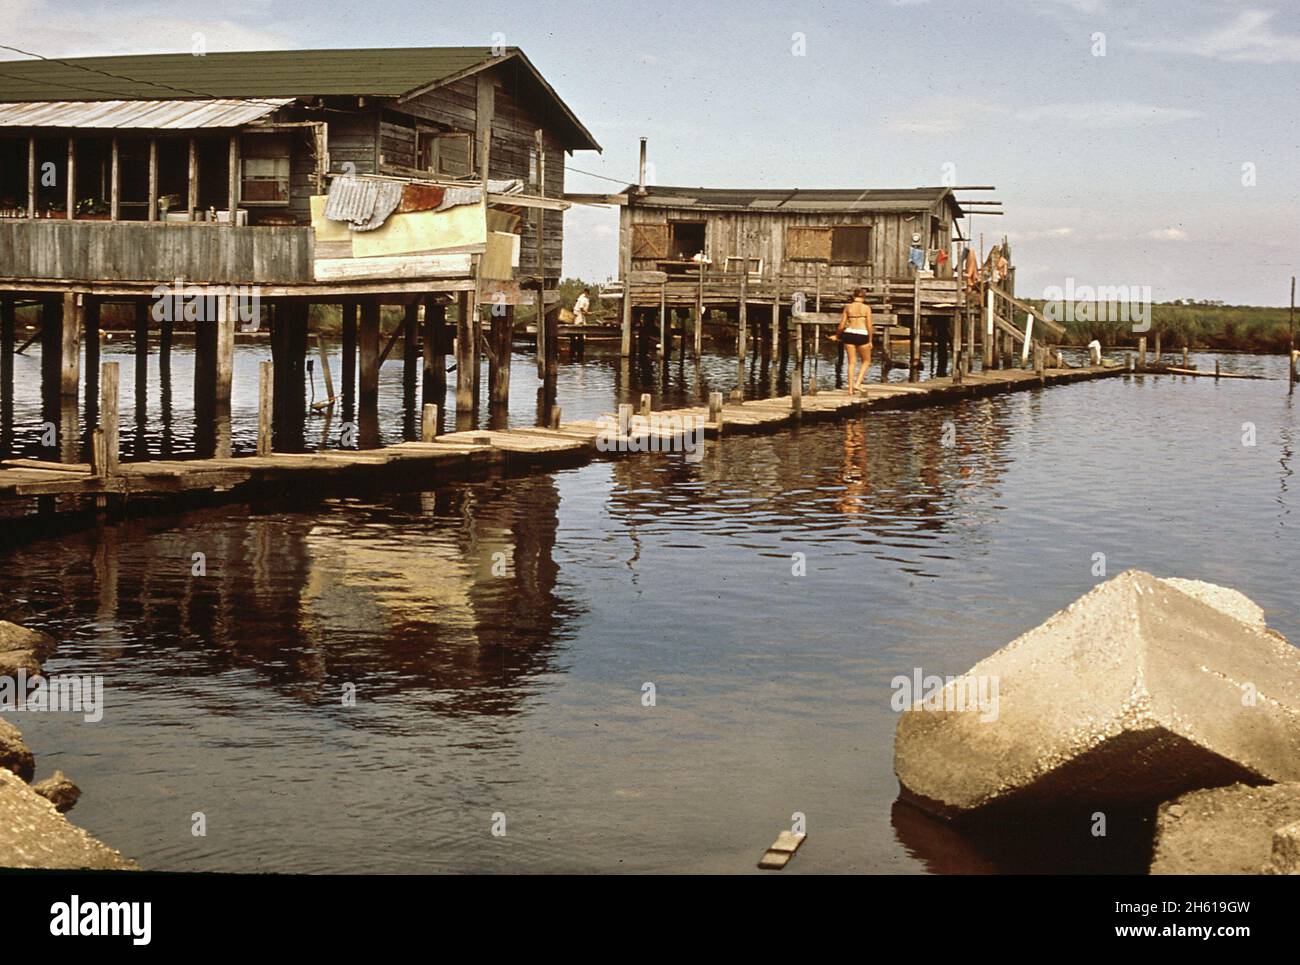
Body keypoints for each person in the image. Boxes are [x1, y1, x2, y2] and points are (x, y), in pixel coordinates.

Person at [831, 289, 873, 394]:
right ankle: (857, 384)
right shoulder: (866, 308)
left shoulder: (848, 307)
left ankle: (850, 389)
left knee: (851, 363)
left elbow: (841, 325)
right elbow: (869, 325)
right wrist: (870, 340)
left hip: (849, 333)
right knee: (866, 361)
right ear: (864, 297)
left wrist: (837, 335)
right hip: (862, 333)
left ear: (853, 296)